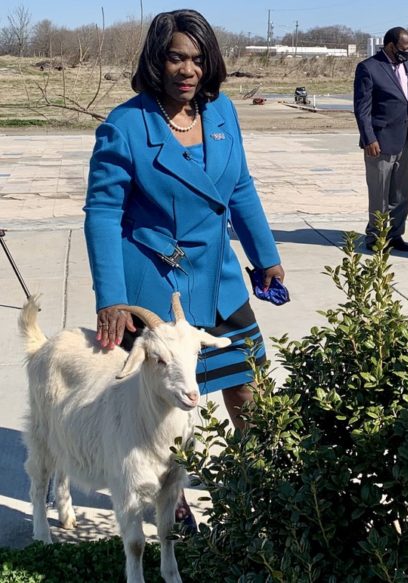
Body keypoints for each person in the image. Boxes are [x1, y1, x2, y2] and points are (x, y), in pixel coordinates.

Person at [84, 9, 285, 527]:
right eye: (176, 57)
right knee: (161, 409)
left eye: (197, 59)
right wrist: (110, 298)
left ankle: (266, 486)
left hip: (217, 280)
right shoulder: (125, 126)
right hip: (153, 290)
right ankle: (171, 505)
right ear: (158, 59)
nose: (187, 70)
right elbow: (103, 213)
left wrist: (265, 257)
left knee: (248, 386)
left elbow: (239, 185)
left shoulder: (221, 114)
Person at [353, 26, 408, 252]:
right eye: (404, 50)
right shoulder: (369, 68)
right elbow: (362, 109)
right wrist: (369, 138)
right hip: (380, 141)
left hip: (405, 138)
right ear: (391, 46)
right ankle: (375, 237)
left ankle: (395, 234)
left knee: (401, 193)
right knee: (379, 193)